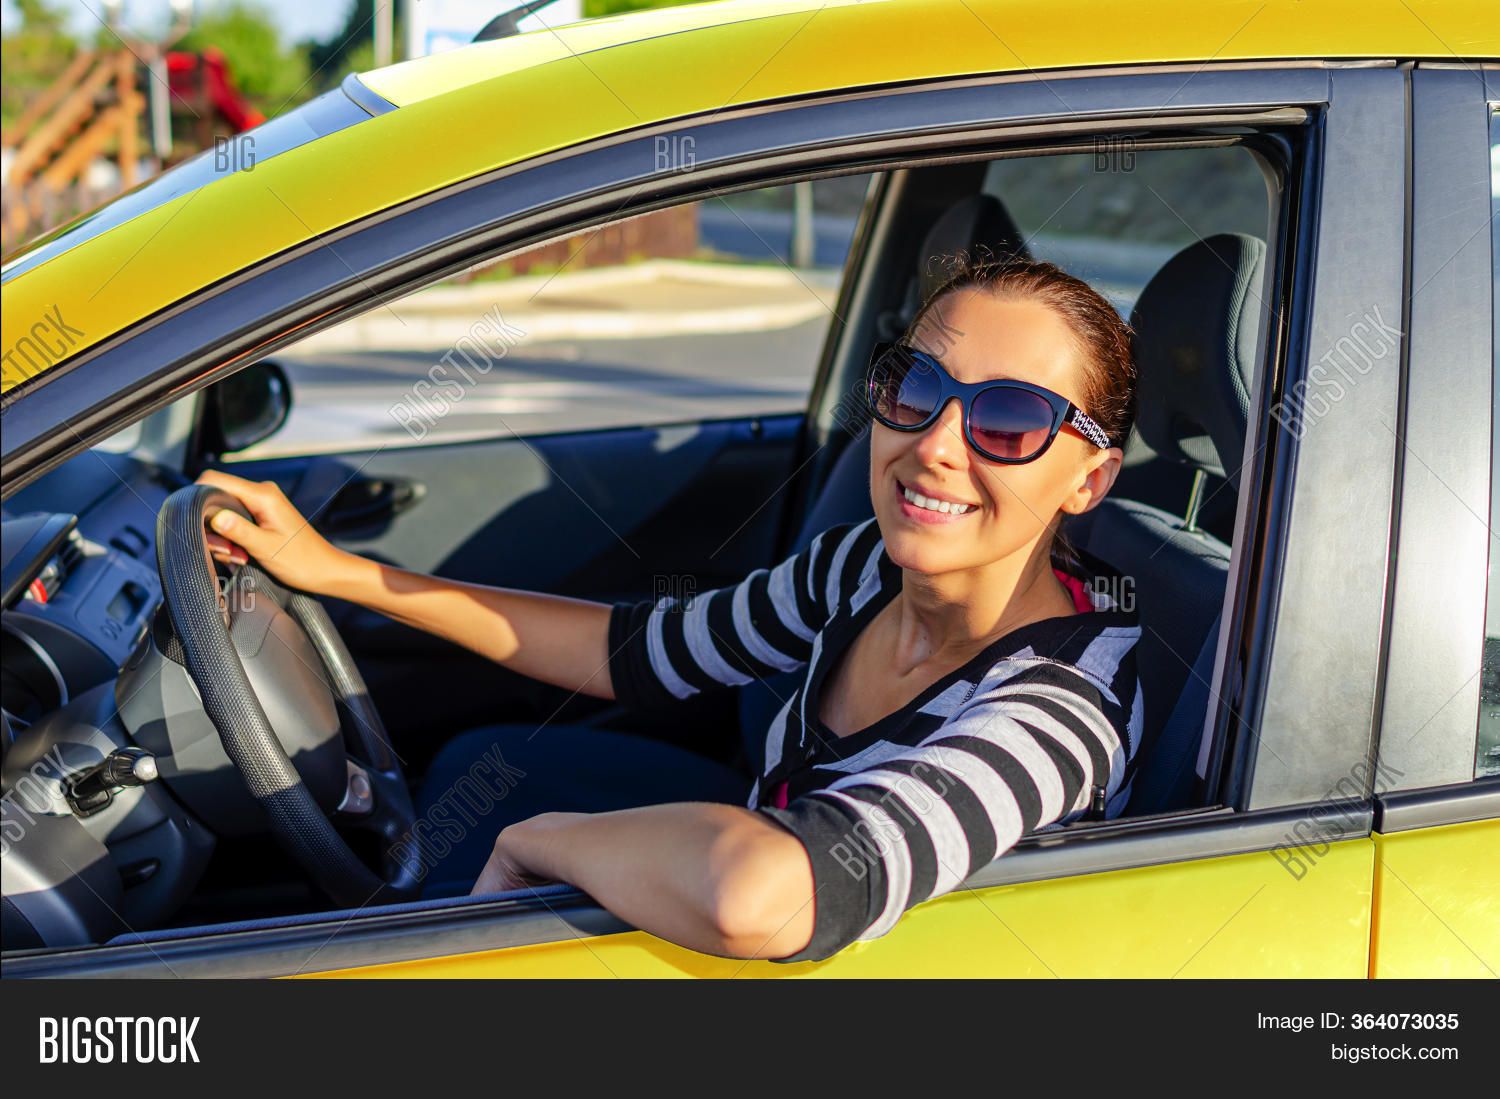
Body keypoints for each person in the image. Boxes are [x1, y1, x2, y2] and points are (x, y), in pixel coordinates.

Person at [198, 255, 1142, 964]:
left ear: (1089, 480)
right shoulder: (864, 567)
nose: (935, 444)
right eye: (918, 387)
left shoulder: (1061, 711)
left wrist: (542, 840)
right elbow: (637, 653)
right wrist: (338, 572)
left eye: (1008, 422)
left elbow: (764, 893)